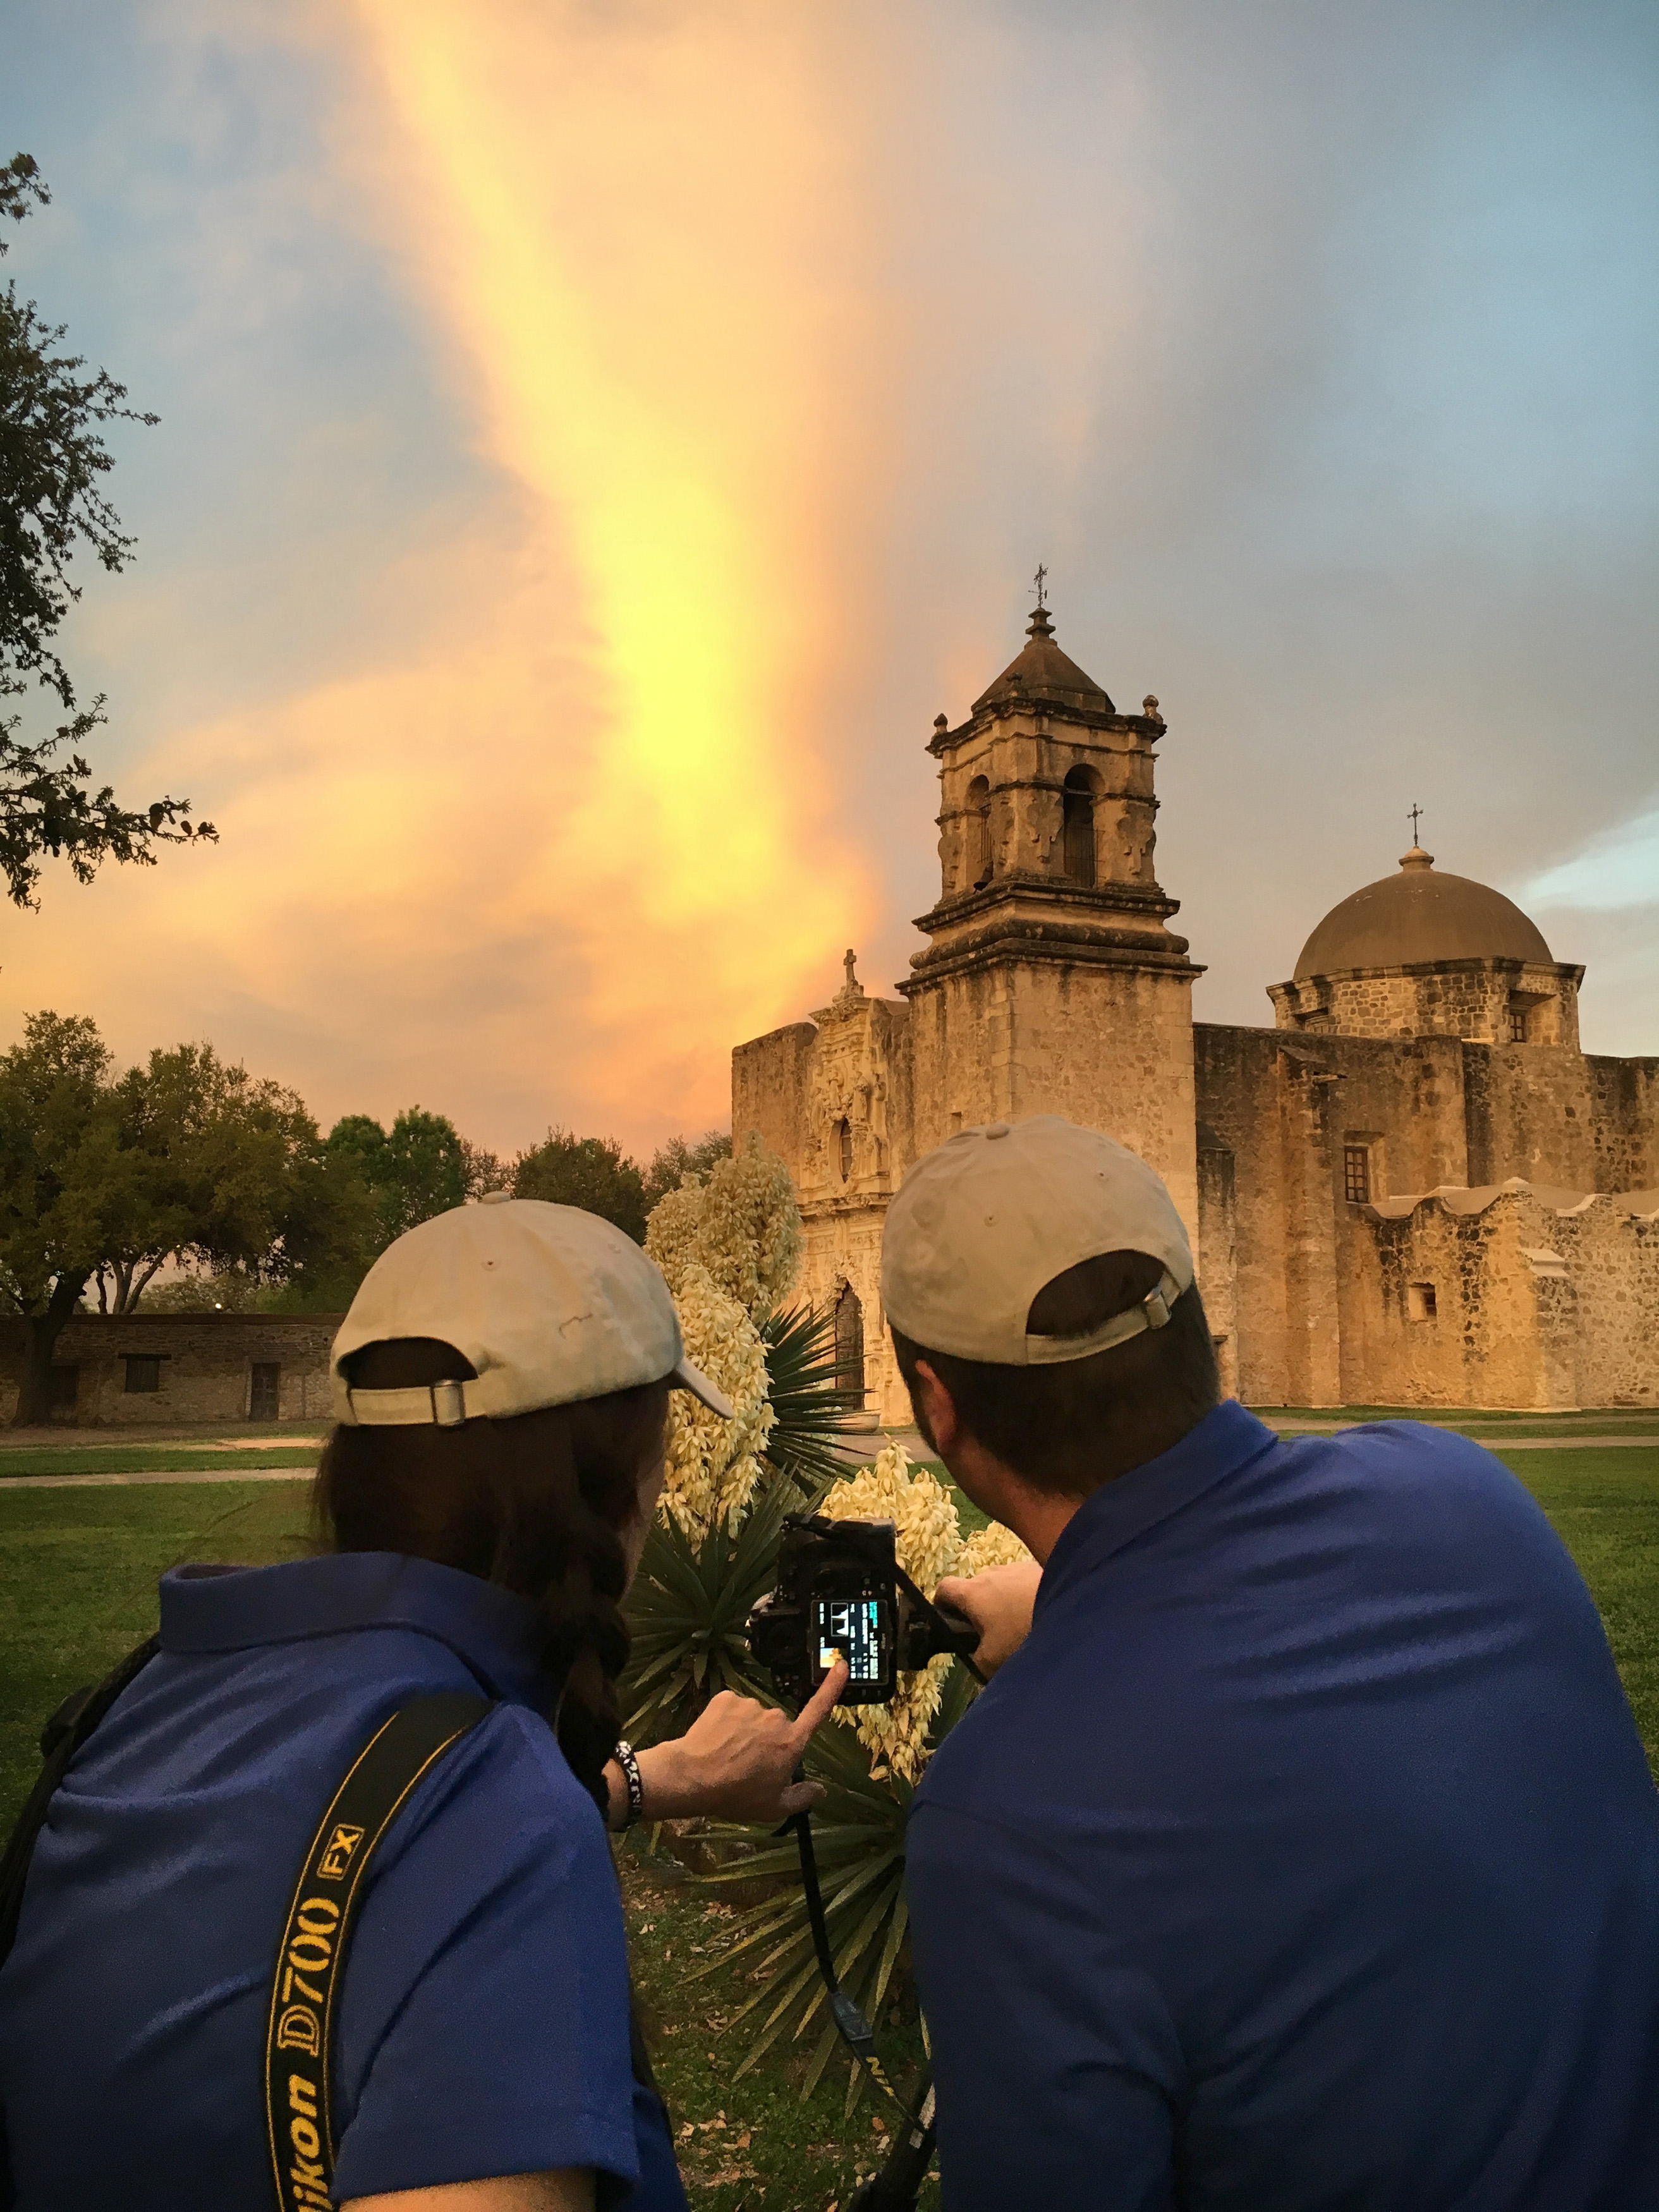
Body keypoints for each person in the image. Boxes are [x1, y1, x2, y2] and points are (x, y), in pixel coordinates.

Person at [0, 1195, 847, 2211]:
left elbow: (319, 1863)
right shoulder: (496, 1815)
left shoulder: (150, 1694)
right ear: (621, 1491)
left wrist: (644, 1781)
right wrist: (536, 1809)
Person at [884, 1114, 1659, 2210]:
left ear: (938, 1405)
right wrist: (1075, 1603)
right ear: (1197, 1328)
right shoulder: (1465, 1493)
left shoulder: (1004, 1813)